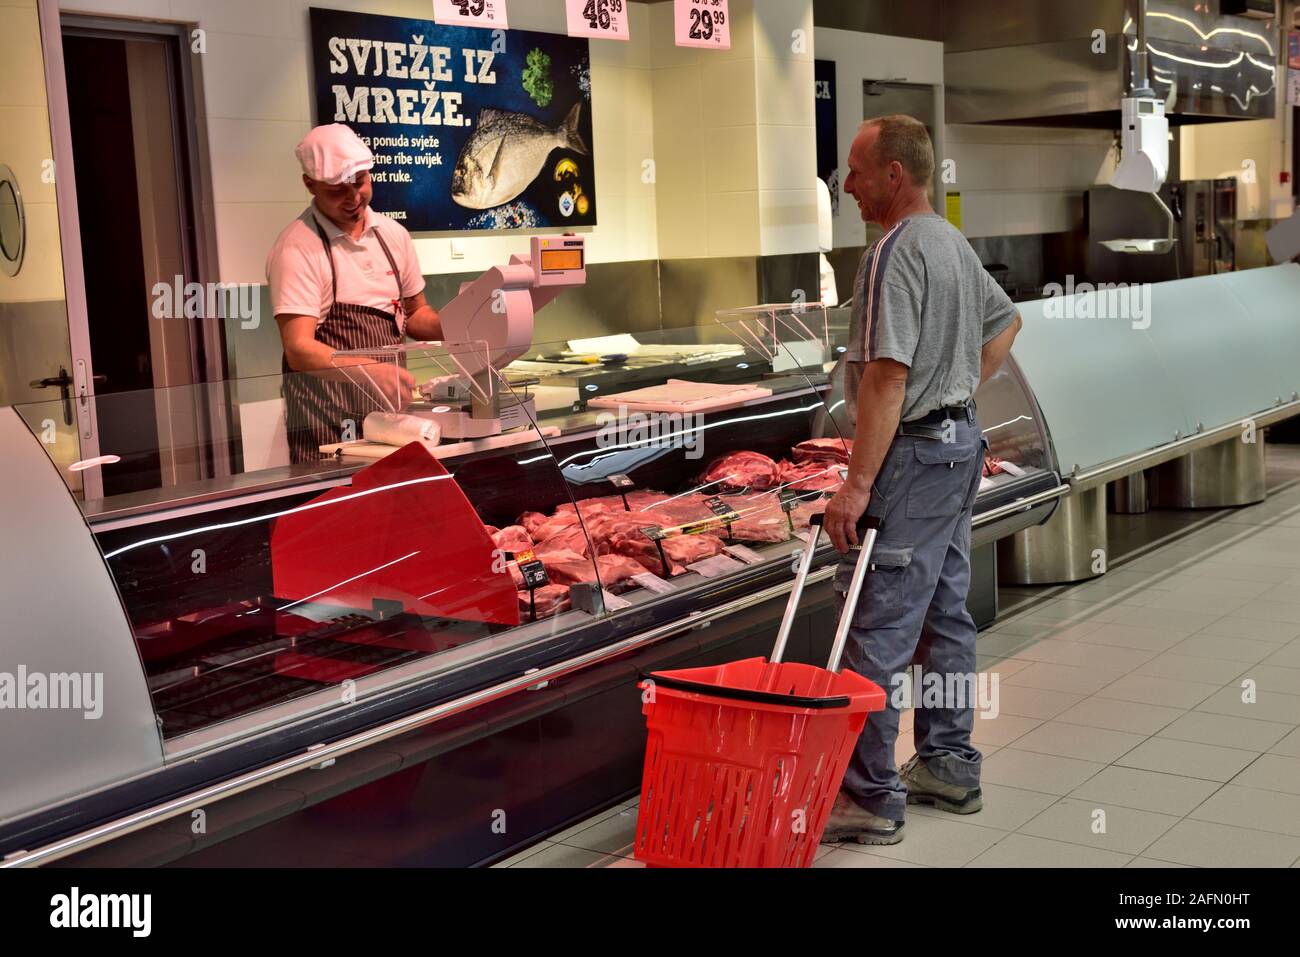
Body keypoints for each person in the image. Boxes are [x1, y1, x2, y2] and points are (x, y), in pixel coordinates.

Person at [821, 115, 1023, 846]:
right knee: (944, 614)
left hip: (911, 458)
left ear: (894, 175)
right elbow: (1007, 326)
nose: (847, 185)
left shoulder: (892, 253)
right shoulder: (951, 243)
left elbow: (886, 376)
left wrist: (855, 485)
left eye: (856, 170)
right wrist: (960, 389)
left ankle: (869, 795)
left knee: (876, 623)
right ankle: (947, 762)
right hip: (957, 448)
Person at [267, 123, 443, 463]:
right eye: (337, 190)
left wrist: (471, 320)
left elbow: (415, 315)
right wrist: (373, 370)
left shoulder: (393, 235)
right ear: (309, 184)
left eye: (360, 182)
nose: (354, 198)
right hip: (328, 429)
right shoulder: (298, 247)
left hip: (389, 424)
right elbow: (299, 350)